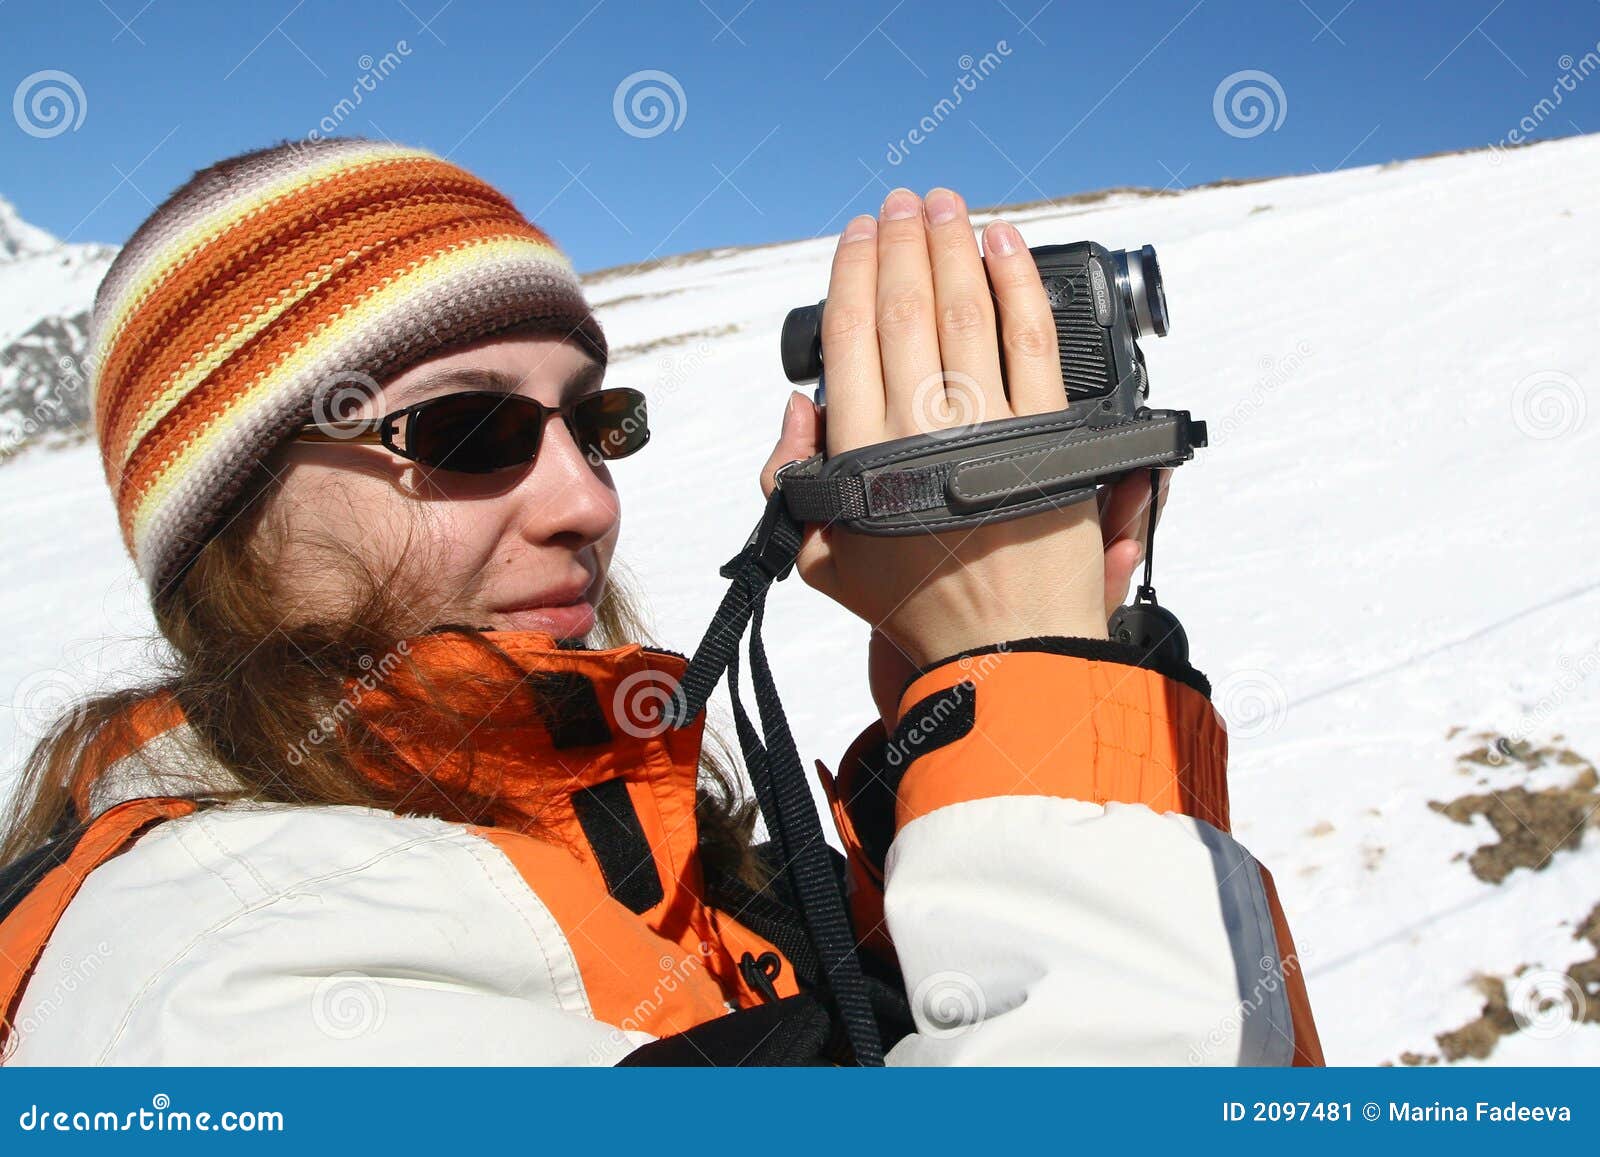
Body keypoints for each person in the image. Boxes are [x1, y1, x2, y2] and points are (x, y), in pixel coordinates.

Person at [0, 136, 1322, 1065]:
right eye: (467, 433)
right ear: (227, 526)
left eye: (594, 420)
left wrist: (1007, 707)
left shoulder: (659, 855)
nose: (583, 499)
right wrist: (1020, 673)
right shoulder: (216, 980)